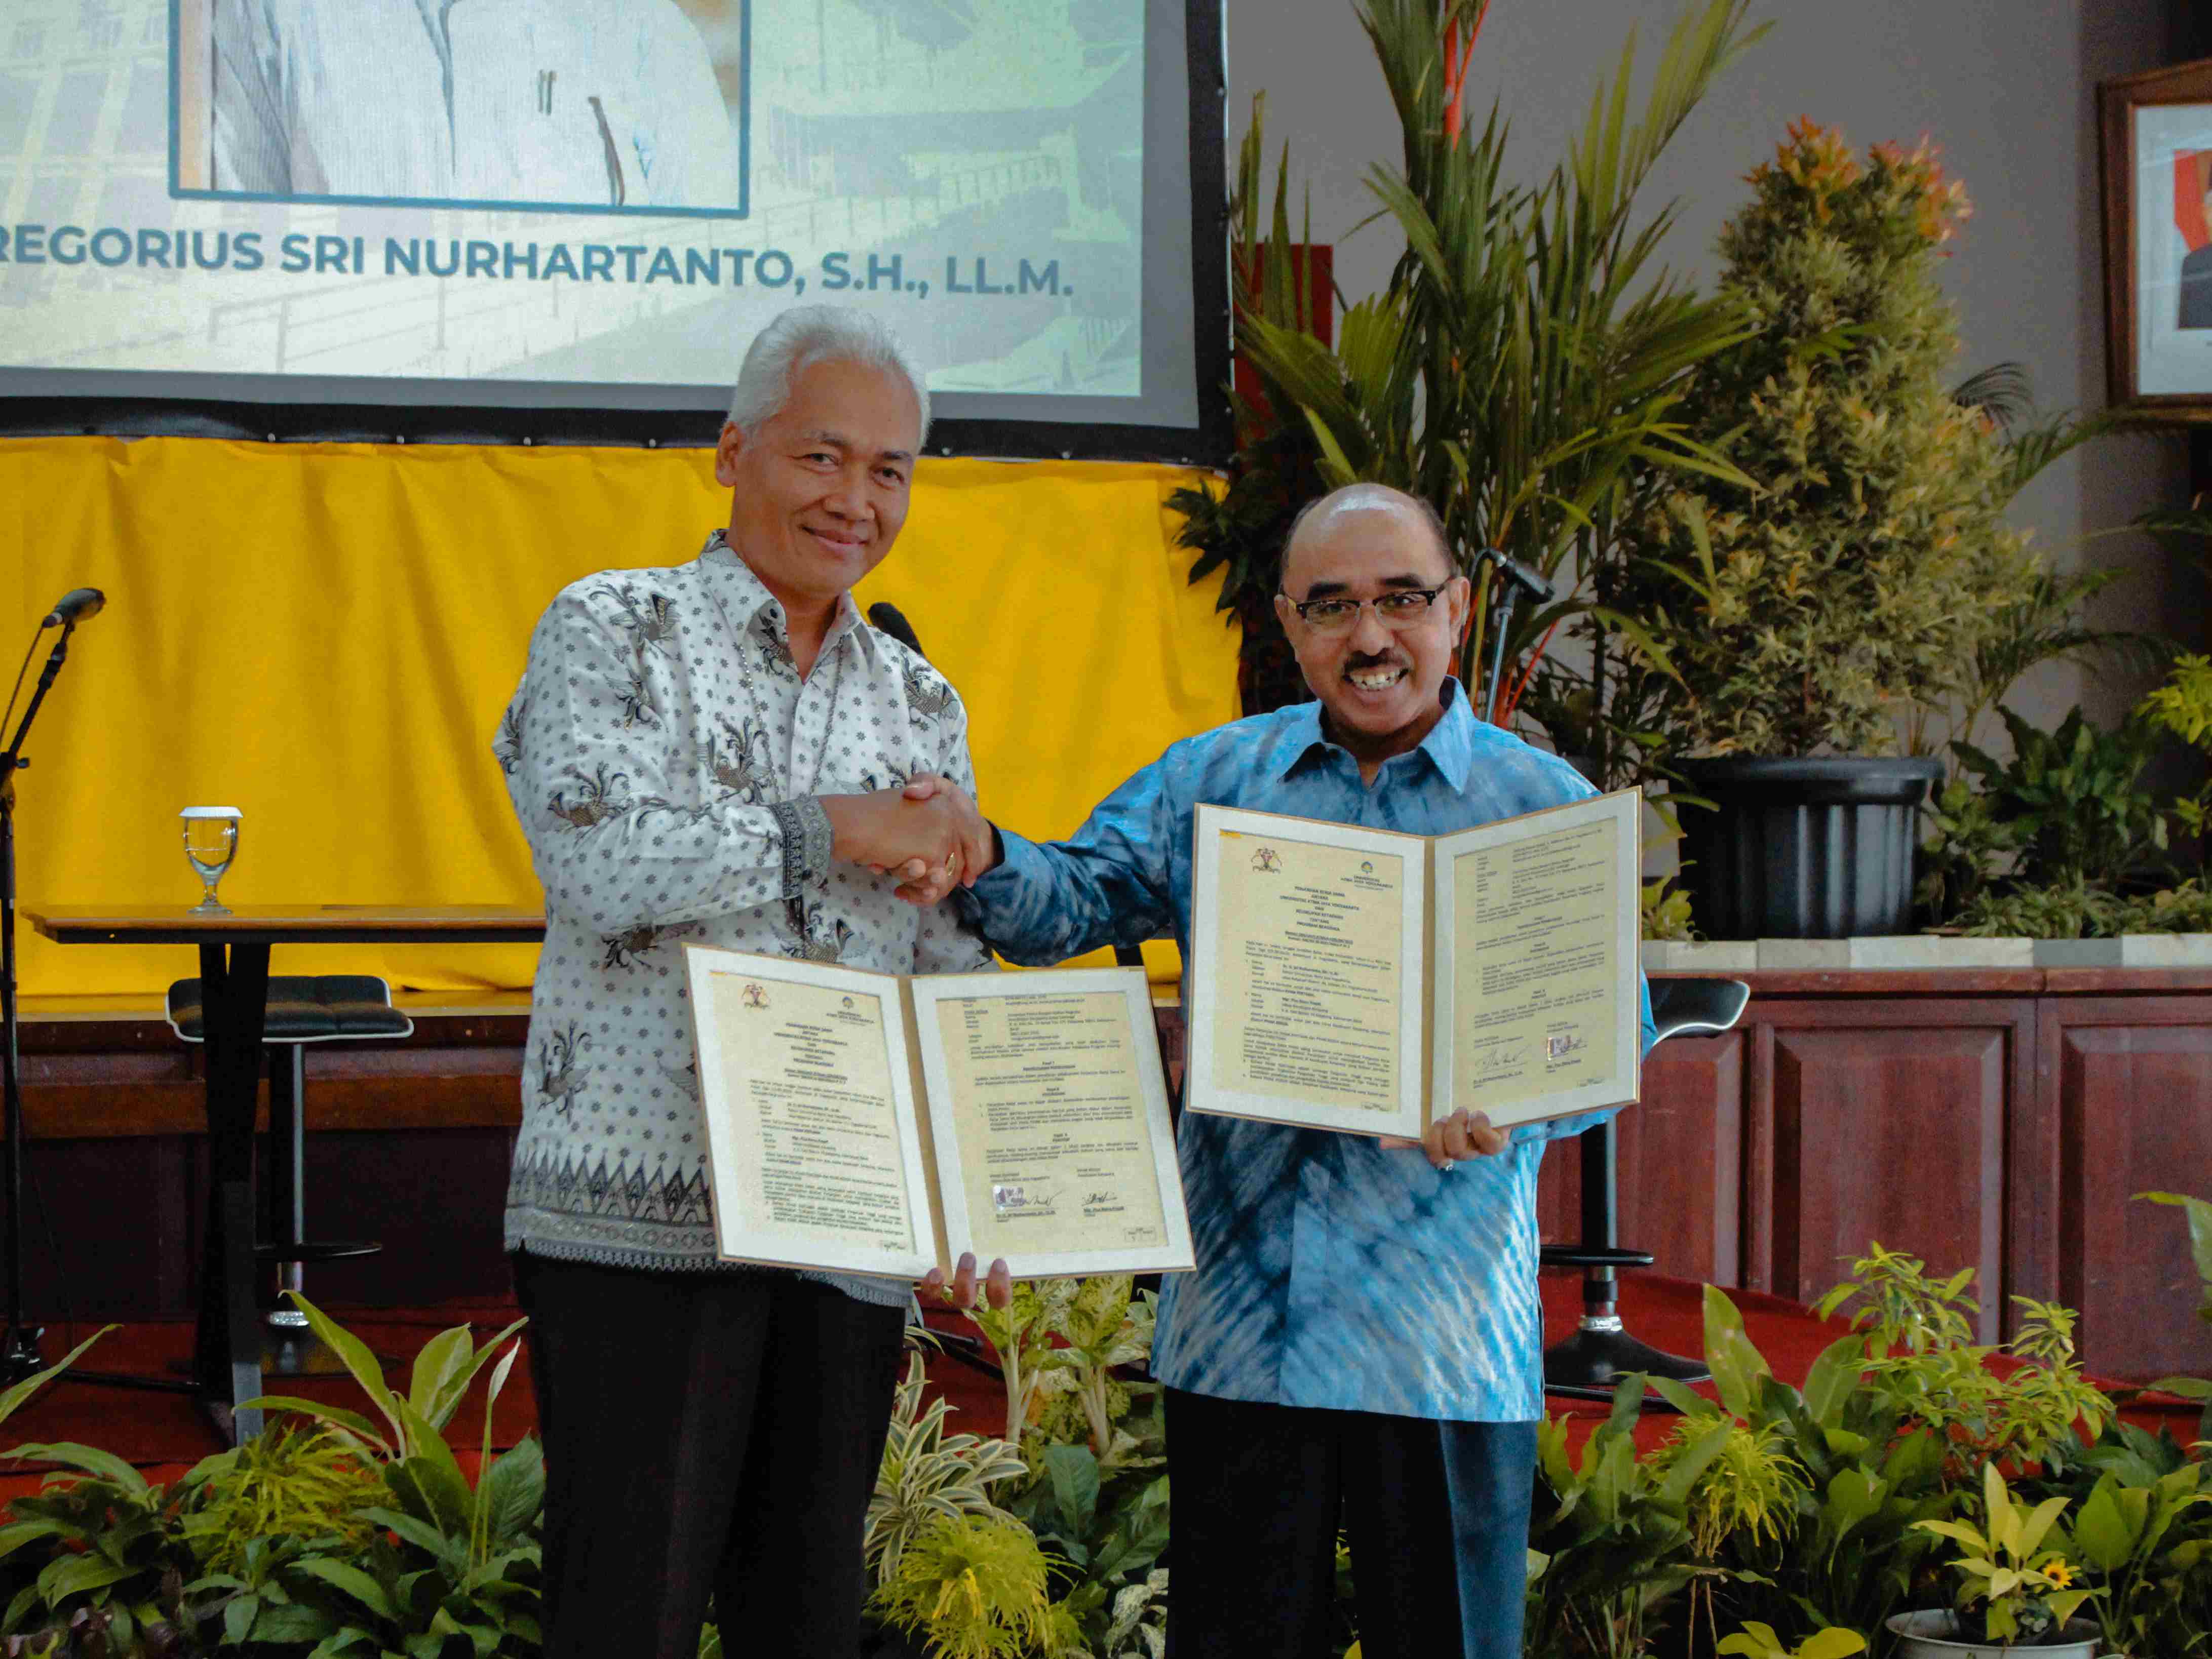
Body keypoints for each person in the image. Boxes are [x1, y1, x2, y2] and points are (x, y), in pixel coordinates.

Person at [910, 482, 1659, 1659]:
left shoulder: (1538, 807)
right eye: (1332, 607)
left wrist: (1512, 1108)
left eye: (1400, 600)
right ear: (1287, 625)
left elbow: (1604, 1033)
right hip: (1240, 1337)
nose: (1369, 638)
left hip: (1442, 1339)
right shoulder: (1211, 782)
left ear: (1454, 611)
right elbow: (1065, 905)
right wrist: (980, 846)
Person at [492, 304, 1005, 1659]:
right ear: (733, 451)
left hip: (841, 1219)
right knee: (626, 1611)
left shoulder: (918, 695)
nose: (856, 500)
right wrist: (829, 824)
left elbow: (942, 952)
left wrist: (982, 1169)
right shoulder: (611, 625)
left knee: (806, 1614)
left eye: (889, 470)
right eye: (822, 457)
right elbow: (596, 865)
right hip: (637, 1212)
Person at [212, 0, 742, 209]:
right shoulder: (269, 13)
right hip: (357, 435)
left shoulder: (643, 25)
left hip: (583, 436)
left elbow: (706, 283)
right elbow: (240, 261)